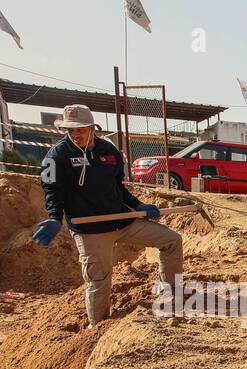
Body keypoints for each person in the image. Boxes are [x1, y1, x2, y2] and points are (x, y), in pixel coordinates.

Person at [32, 104, 181, 329]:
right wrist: (55, 217)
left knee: (171, 240)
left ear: (92, 127)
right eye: (70, 130)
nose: (75, 134)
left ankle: (170, 297)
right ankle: (97, 328)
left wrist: (138, 205)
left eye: (80, 129)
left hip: (121, 220)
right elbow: (53, 190)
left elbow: (118, 188)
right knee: (99, 281)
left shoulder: (108, 151)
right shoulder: (57, 155)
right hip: (90, 230)